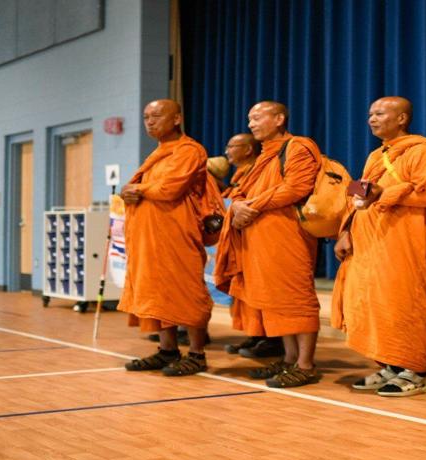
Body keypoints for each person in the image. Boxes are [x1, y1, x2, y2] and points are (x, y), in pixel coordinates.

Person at [330, 96, 426, 397]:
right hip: (373, 244)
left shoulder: (423, 151)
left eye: (379, 113)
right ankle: (391, 365)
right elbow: (361, 195)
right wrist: (345, 231)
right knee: (379, 305)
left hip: (407, 243)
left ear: (401, 118)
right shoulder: (377, 155)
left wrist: (385, 193)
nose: (372, 119)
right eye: (370, 114)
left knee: (407, 303)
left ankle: (417, 371)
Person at [212, 101, 326, 388]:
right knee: (275, 301)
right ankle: (290, 358)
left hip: (289, 237)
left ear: (279, 119)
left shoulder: (298, 147)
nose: (251, 124)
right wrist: (237, 207)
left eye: (257, 117)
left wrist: (252, 205)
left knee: (296, 298)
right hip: (260, 240)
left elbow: (296, 187)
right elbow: (241, 193)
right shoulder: (264, 156)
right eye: (249, 119)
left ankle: (306, 365)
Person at [117, 99, 220, 377]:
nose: (150, 122)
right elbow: (146, 188)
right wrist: (128, 191)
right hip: (149, 237)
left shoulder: (190, 150)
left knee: (187, 290)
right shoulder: (158, 154)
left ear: (176, 119)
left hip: (178, 233)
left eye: (157, 116)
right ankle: (168, 350)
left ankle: (196, 354)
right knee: (158, 292)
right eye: (146, 117)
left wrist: (134, 189)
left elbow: (169, 189)